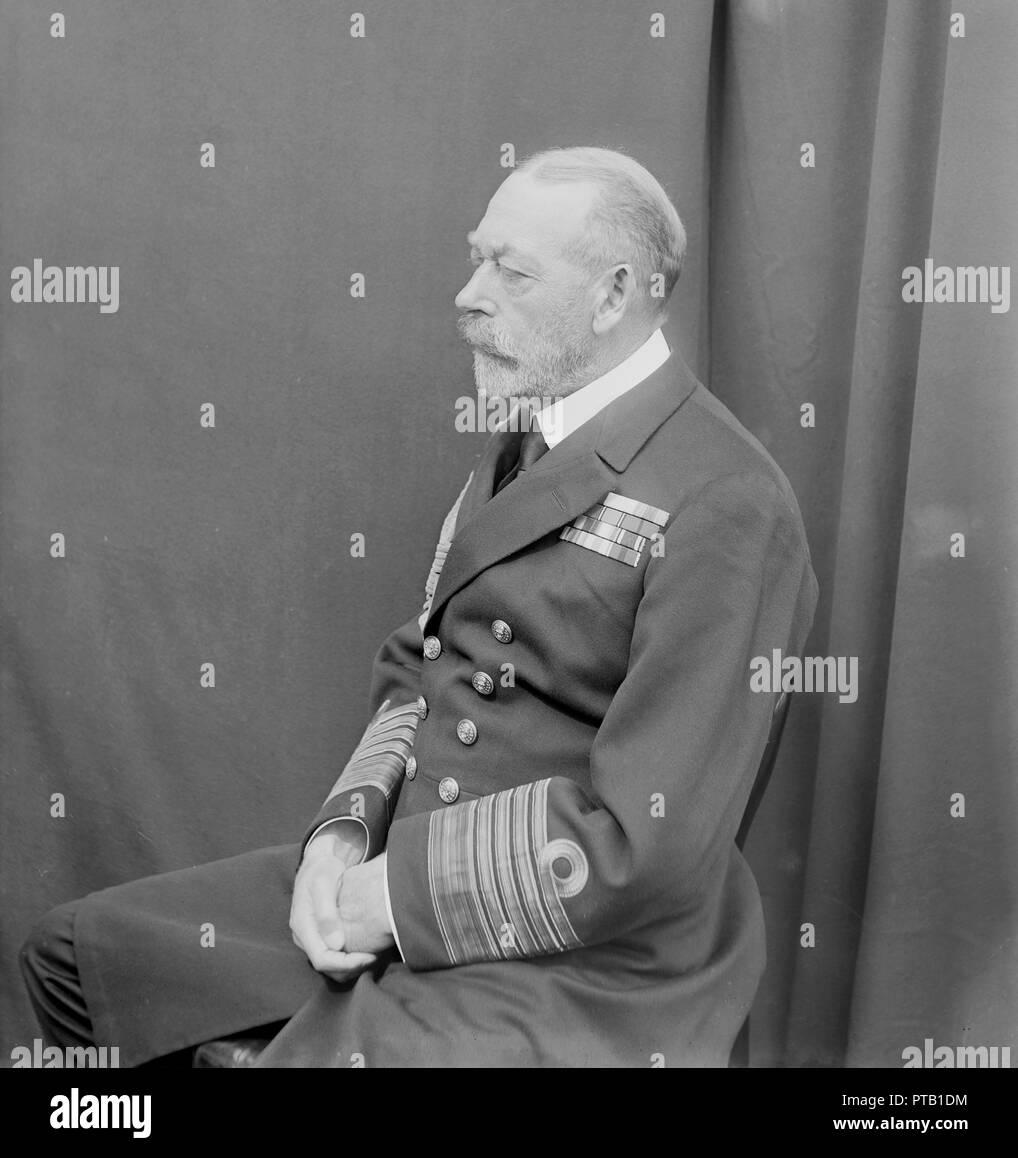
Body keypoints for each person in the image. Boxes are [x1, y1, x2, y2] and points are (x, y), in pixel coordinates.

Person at [21, 146, 818, 1068]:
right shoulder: (526, 433)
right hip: (400, 858)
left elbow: (651, 838)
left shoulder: (727, 501)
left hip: (587, 952)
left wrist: (396, 896)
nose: (468, 293)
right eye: (477, 257)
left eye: (512, 272)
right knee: (81, 960)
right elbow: (422, 666)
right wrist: (342, 840)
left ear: (614, 296)